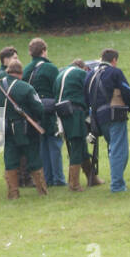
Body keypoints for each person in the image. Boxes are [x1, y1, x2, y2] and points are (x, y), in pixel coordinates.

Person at [0, 59, 47, 198]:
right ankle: (42, 191)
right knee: (33, 158)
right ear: (20, 73)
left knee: (10, 159)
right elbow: (39, 109)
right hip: (26, 130)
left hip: (5, 129)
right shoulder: (26, 88)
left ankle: (13, 193)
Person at [84, 48, 130, 192]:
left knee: (113, 149)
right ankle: (117, 185)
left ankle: (117, 180)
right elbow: (126, 90)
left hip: (98, 118)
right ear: (114, 60)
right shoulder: (115, 72)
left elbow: (86, 98)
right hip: (115, 114)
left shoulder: (90, 75)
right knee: (119, 151)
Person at [23, 39, 64, 186]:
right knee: (54, 145)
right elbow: (58, 88)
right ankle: (58, 179)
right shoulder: (50, 68)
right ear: (44, 51)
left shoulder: (26, 69)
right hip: (50, 110)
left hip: (33, 113)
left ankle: (47, 178)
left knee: (42, 146)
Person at [54, 58, 90, 191]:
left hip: (62, 113)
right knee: (77, 145)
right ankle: (74, 183)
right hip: (75, 113)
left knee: (80, 144)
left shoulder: (59, 75)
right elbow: (88, 92)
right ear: (83, 67)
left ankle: (91, 177)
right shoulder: (81, 74)